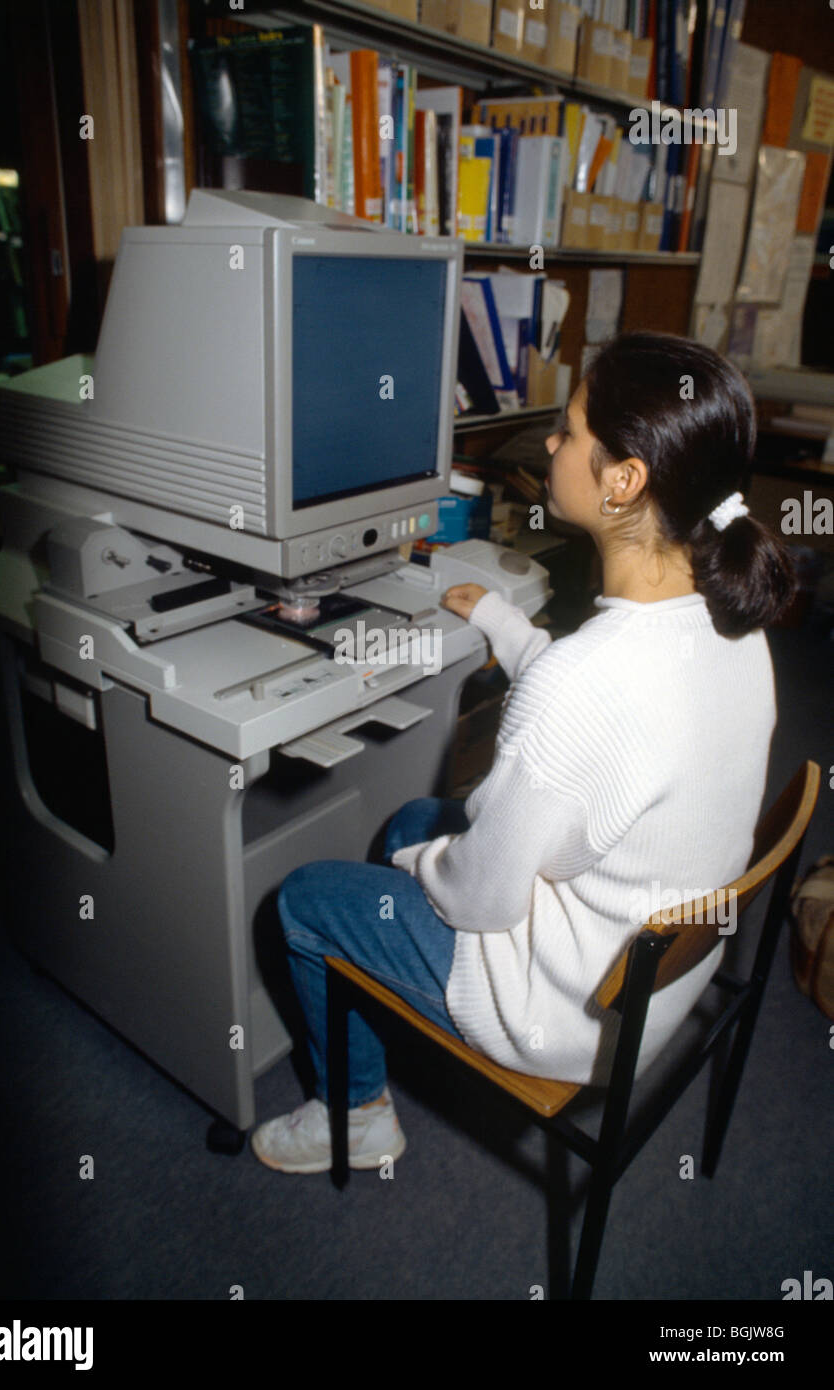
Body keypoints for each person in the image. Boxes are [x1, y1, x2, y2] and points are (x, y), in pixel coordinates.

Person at [251, 331, 796, 1175]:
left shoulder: (582, 683)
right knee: (409, 822)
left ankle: (355, 1115)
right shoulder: (729, 626)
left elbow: (481, 900)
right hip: (659, 981)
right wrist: (506, 626)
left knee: (307, 898)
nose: (549, 444)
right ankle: (386, 999)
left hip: (571, 1015)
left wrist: (427, 861)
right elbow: (603, 730)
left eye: (570, 431)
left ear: (624, 480)